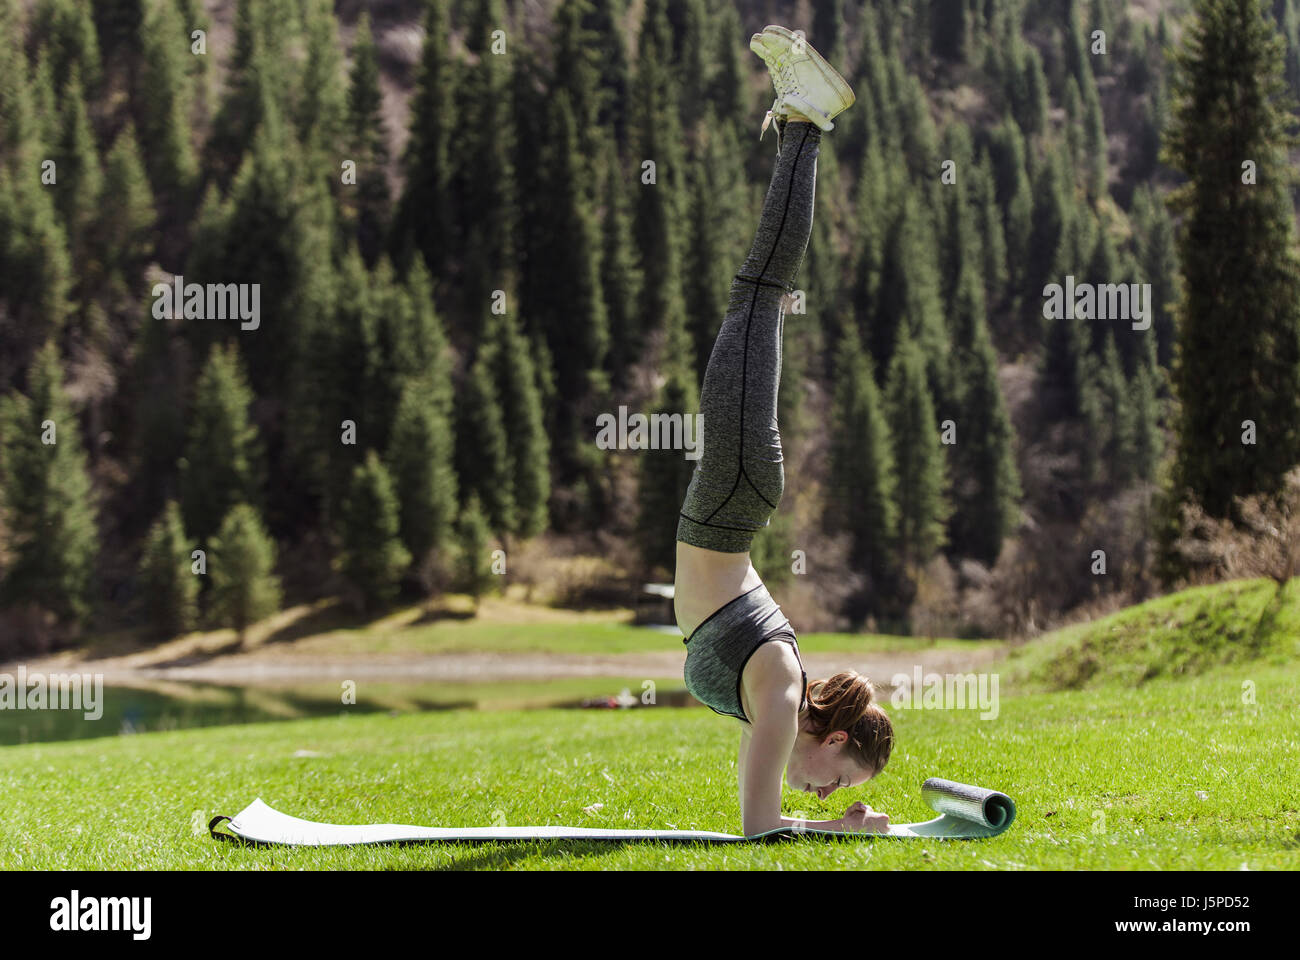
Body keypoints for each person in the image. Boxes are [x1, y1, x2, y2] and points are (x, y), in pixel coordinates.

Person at [674, 25, 895, 838]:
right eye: (838, 782)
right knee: (757, 293)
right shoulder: (777, 689)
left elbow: (761, 822)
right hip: (733, 493)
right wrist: (836, 834)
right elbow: (763, 833)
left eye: (832, 797)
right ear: (832, 740)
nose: (824, 794)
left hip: (734, 497)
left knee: (757, 294)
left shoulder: (780, 691)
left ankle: (804, 121)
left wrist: (839, 827)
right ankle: (806, 119)